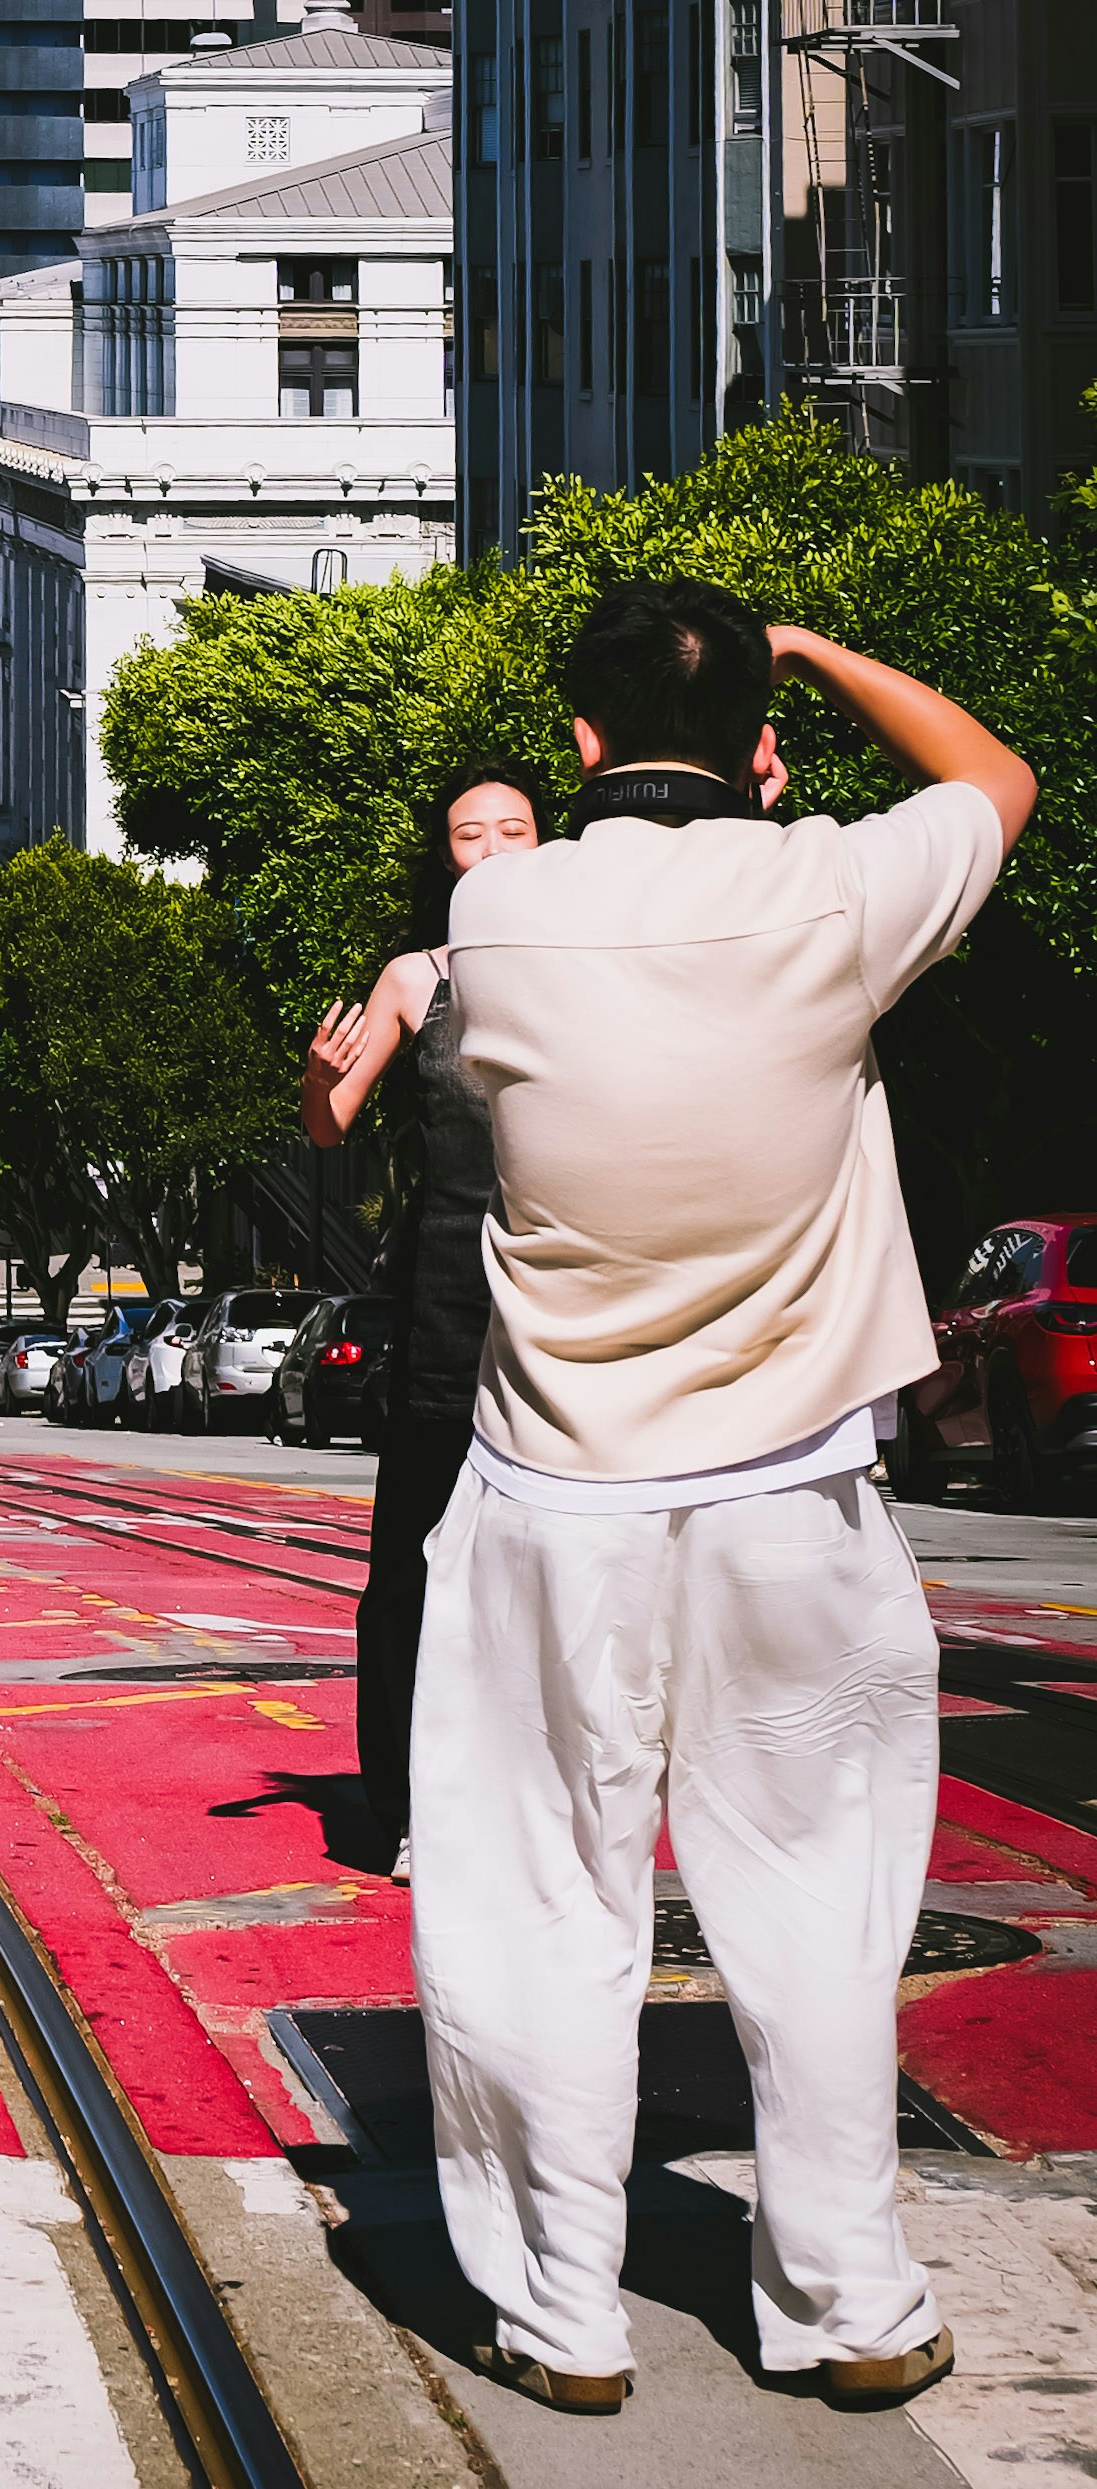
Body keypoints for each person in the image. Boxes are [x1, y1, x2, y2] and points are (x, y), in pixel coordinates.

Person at [410, 579, 1034, 2419]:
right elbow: (994, 774)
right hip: (790, 1498)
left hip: (552, 1499)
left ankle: (560, 2311)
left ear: (580, 749)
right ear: (761, 738)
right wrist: (834, 658)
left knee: (541, 1896)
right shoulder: (835, 893)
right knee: (818, 1906)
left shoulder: (498, 905)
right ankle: (847, 2302)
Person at [301, 762, 550, 1870]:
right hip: (449, 1285)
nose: (494, 851)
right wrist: (317, 1078)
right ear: (442, 857)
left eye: (515, 830)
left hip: (567, 1280)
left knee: (558, 1563)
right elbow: (329, 1127)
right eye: (470, 834)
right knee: (413, 1558)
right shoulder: (416, 978)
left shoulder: (590, 962)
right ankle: (402, 1810)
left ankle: (538, 1803)